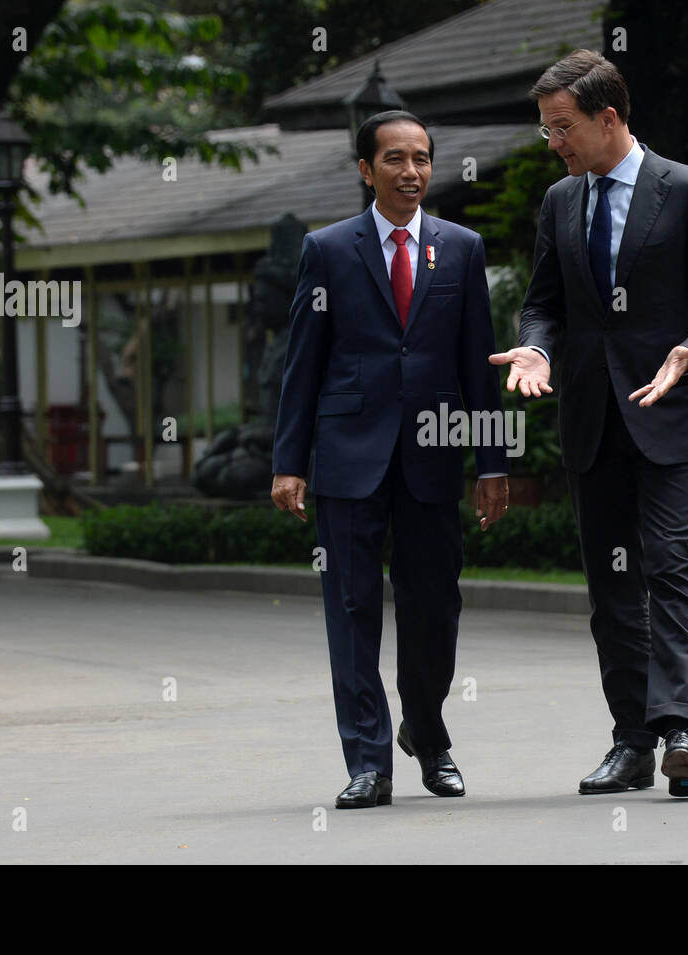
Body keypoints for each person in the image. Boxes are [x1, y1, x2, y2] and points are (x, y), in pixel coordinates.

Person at [490, 50, 688, 798]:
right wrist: (537, 347)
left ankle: (681, 731)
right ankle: (631, 742)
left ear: (608, 118)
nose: (554, 144)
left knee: (668, 567)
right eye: (548, 131)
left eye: (562, 128)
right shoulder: (560, 202)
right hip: (589, 421)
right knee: (612, 588)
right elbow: (544, 301)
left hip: (670, 416)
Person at [272, 110, 510, 809]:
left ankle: (429, 735)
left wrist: (492, 461)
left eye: (423, 159)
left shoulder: (462, 249)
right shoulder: (327, 250)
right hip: (348, 457)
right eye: (396, 159)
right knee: (351, 610)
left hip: (433, 457)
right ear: (365, 168)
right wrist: (291, 461)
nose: (412, 171)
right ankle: (369, 763)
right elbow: (302, 365)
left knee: (433, 607)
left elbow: (477, 366)